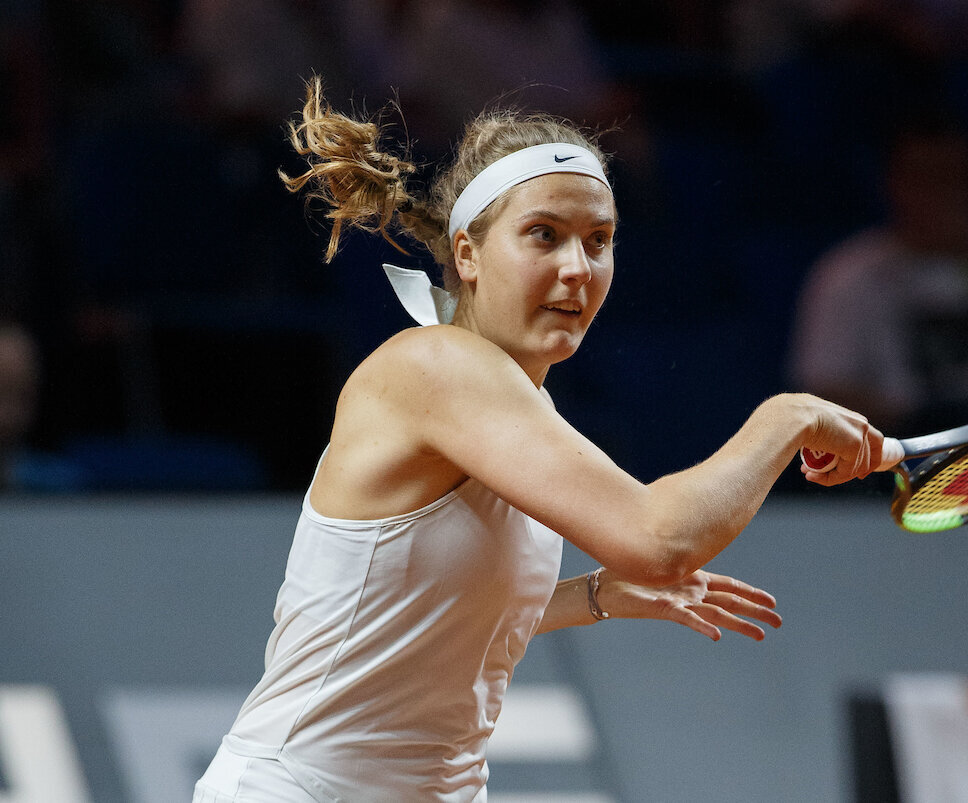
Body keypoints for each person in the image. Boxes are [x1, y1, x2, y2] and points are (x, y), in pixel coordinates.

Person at [193, 76, 886, 803]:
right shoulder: (434, 369)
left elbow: (429, 608)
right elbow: (661, 538)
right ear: (468, 253)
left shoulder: (514, 406)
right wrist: (788, 416)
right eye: (544, 235)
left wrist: (594, 595)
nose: (576, 269)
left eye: (599, 241)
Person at [787, 114, 968, 437]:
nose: (941, 192)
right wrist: (920, 423)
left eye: (954, 177)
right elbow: (819, 395)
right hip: (907, 456)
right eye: (925, 177)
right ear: (892, 182)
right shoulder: (848, 273)